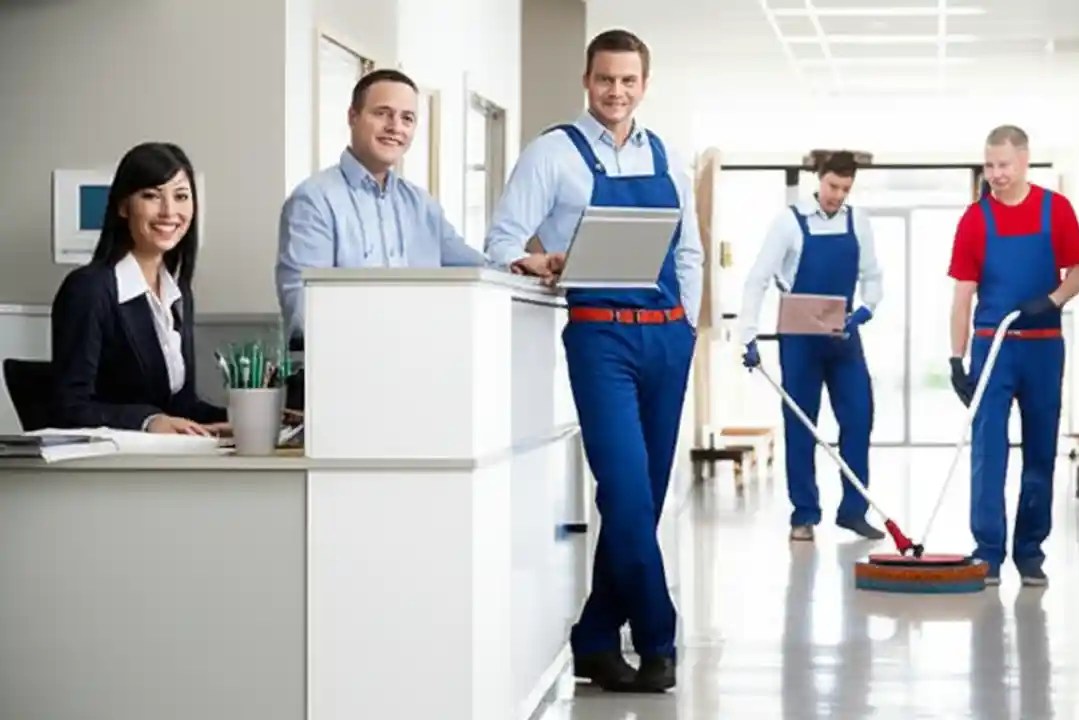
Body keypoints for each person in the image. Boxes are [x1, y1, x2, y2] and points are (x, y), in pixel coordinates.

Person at [483, 29, 702, 693]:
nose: (616, 91)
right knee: (627, 493)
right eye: (605, 78)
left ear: (644, 84)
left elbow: (689, 251)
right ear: (587, 79)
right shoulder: (552, 153)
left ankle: (596, 639)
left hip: (667, 338)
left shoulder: (669, 157)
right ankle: (659, 636)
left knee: (646, 498)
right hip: (599, 338)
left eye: (628, 80)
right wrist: (537, 260)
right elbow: (499, 242)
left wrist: (687, 326)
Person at [947, 125, 1079, 588]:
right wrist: (956, 359)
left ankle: (1030, 552)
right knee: (988, 452)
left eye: (1004, 164)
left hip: (1043, 347)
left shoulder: (1056, 209)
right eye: (989, 165)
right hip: (992, 347)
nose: (996, 174)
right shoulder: (975, 219)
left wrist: (1051, 301)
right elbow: (962, 297)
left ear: (1025, 160)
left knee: (1040, 450)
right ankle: (988, 552)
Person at [276, 68, 509, 340]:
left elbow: (479, 270)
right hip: (346, 360)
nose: (395, 127)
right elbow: (304, 313)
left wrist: (522, 266)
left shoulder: (423, 207)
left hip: (421, 355)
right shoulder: (315, 201)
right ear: (353, 116)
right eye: (382, 113)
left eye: (407, 118)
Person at [738, 151, 884, 543]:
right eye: (833, 186)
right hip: (799, 339)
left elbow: (873, 277)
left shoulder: (859, 222)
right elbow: (758, 279)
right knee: (801, 424)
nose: (838, 195)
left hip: (843, 335)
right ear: (819, 179)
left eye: (845, 188)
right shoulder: (790, 222)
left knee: (859, 417)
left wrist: (866, 310)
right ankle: (804, 513)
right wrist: (748, 335)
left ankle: (854, 510)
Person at [49, 142, 227, 434]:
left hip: (165, 456)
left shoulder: (178, 292)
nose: (169, 211)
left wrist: (251, 418)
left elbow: (181, 407)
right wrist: (148, 421)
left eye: (181, 196)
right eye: (151, 196)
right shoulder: (90, 289)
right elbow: (70, 407)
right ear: (123, 206)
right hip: (114, 458)